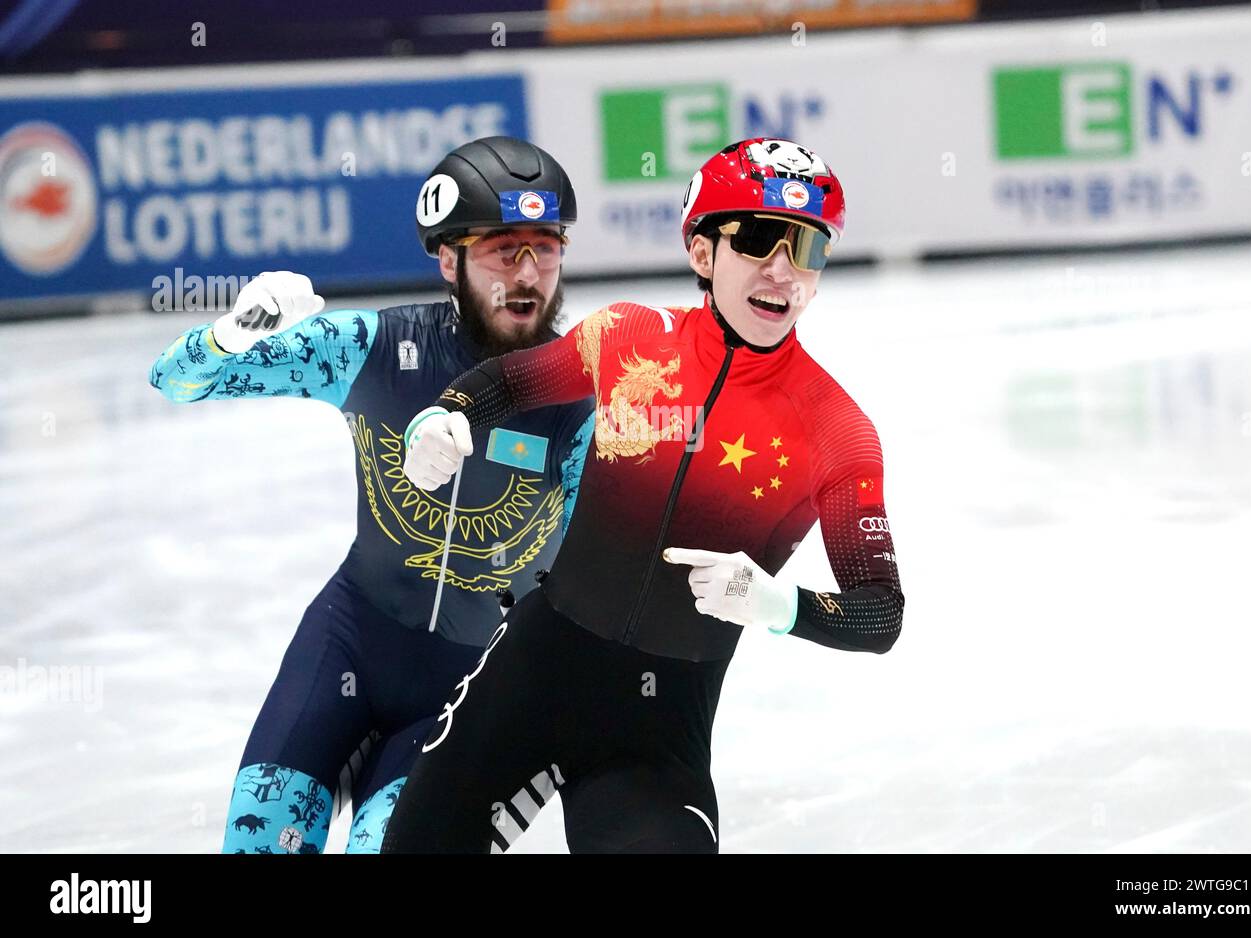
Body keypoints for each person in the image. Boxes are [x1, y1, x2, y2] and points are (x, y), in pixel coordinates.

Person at [383, 137, 904, 854]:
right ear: (701, 253)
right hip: (533, 676)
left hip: (655, 739)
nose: (782, 271)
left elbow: (880, 611)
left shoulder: (837, 431)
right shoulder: (628, 338)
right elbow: (505, 383)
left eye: (807, 248)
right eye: (757, 239)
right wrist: (443, 418)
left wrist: (779, 606)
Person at [148, 136, 595, 854]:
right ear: (447, 260)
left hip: (467, 683)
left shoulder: (579, 397)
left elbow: (602, 573)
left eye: (545, 248)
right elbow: (174, 381)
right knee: (257, 845)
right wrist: (229, 337)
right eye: (502, 250)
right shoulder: (376, 347)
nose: (528, 272)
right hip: (349, 643)